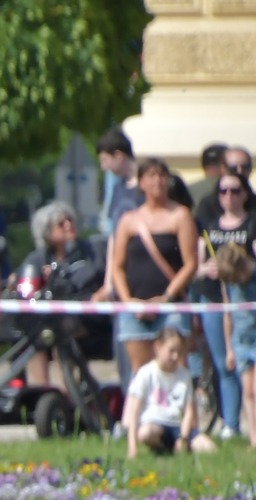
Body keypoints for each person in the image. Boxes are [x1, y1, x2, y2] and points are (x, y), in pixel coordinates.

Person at [108, 157, 199, 382]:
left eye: (162, 175)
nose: (157, 180)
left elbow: (190, 264)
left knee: (175, 370)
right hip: (136, 307)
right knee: (140, 374)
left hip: (170, 307)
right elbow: (117, 266)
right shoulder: (129, 220)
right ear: (141, 183)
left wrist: (166, 297)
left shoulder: (180, 215)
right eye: (151, 175)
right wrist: (128, 300)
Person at [195, 171, 252, 439]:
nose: (229, 196)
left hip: (245, 298)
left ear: (245, 193)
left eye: (235, 190)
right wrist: (205, 269)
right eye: (223, 191)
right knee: (225, 364)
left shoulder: (252, 224)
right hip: (215, 299)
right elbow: (195, 266)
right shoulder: (208, 225)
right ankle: (231, 423)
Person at [18, 200, 96, 387]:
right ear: (46, 232)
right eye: (61, 224)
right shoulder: (37, 259)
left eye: (70, 220)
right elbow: (25, 291)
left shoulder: (88, 253)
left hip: (84, 323)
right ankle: (43, 394)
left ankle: (70, 395)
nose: (69, 225)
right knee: (34, 345)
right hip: (45, 324)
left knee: (63, 341)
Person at [126, 327, 212, 458]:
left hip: (177, 426)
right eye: (171, 351)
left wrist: (183, 437)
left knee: (209, 448)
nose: (175, 356)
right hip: (155, 423)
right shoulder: (145, 373)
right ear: (158, 347)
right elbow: (134, 412)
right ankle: (161, 447)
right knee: (145, 433)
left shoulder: (184, 375)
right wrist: (132, 447)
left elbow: (189, 411)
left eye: (179, 352)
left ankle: (178, 446)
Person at [218, 241, 256, 440]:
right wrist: (229, 348)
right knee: (248, 392)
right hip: (241, 341)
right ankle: (253, 438)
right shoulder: (229, 282)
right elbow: (228, 314)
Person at [97, 129, 143, 238]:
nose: (103, 167)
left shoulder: (147, 186)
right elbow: (113, 232)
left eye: (105, 160)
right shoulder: (117, 188)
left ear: (118, 156)